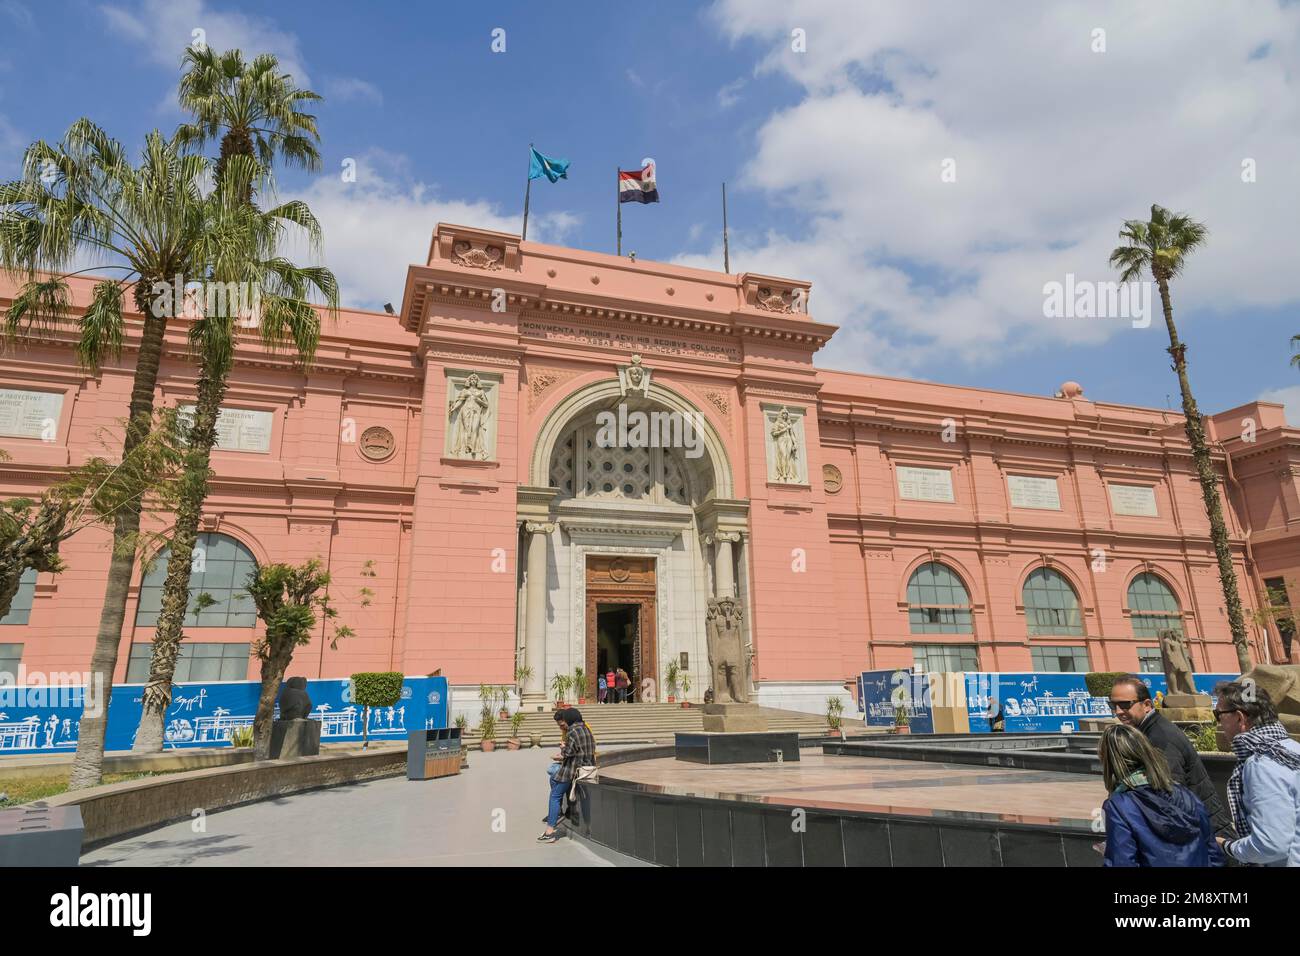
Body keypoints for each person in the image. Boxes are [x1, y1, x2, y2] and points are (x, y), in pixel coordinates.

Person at [1107, 676, 1234, 840]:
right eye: (1113, 705)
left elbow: (1171, 797)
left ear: (1146, 705)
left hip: (1203, 837)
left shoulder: (1159, 738)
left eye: (1125, 705)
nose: (1118, 711)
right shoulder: (1147, 732)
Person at [1098, 723, 1217, 867]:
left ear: (1109, 761)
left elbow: (1122, 862)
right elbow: (1212, 851)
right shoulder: (1185, 794)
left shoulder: (1119, 806)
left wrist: (1110, 851)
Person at [1213, 681, 1300, 867]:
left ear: (1239, 718)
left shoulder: (1261, 762)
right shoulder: (1291, 749)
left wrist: (1228, 846)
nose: (1218, 722)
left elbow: (1270, 845)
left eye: (1218, 714)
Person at [539, 708, 596, 843]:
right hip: (587, 768)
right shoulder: (587, 729)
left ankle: (550, 830)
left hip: (572, 770)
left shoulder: (572, 731)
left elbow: (568, 753)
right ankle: (576, 816)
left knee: (555, 795)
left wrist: (563, 747)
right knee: (554, 778)